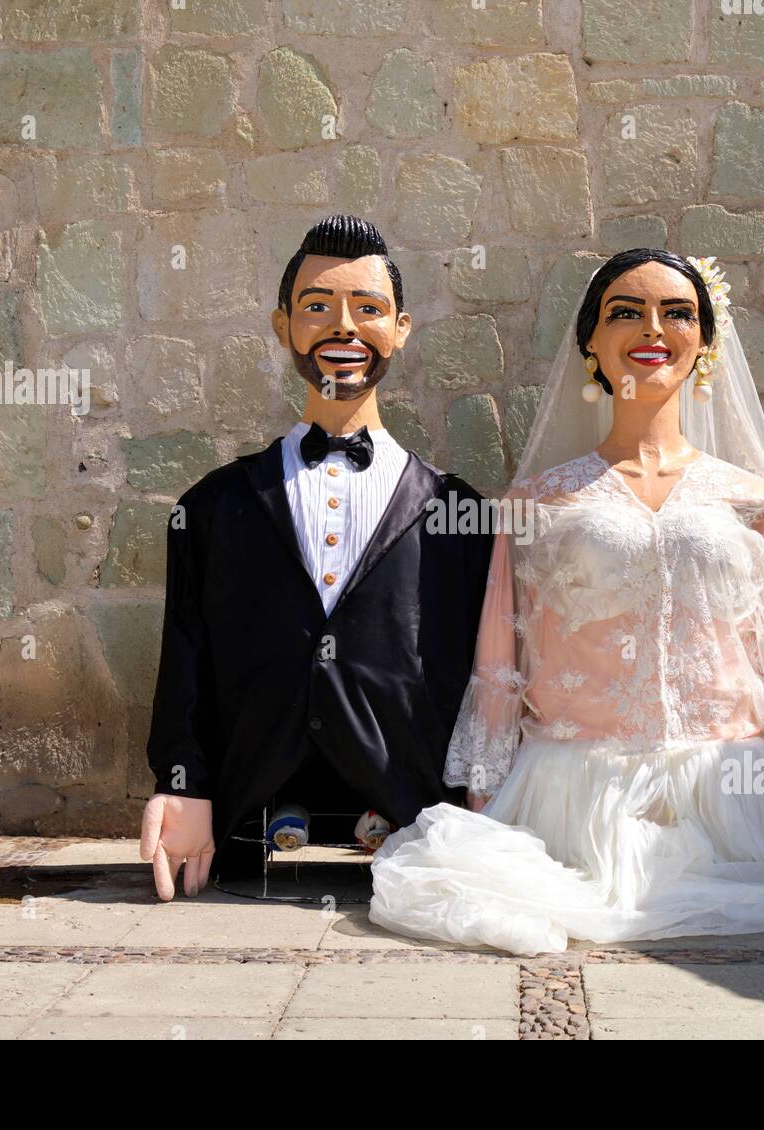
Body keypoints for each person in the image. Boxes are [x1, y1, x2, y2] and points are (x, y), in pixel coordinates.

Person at [368, 248, 764, 955]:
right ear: (591, 340)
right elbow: (503, 658)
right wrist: (485, 796)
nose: (653, 327)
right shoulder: (538, 502)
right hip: (570, 795)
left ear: (704, 342)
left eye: (677, 312)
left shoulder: (760, 504)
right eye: (626, 311)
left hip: (731, 802)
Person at [140, 215, 493, 900]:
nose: (344, 328)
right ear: (283, 329)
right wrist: (182, 784)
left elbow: (487, 676)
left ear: (401, 328)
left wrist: (486, 801)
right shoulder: (212, 505)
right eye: (317, 308)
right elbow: (184, 657)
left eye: (368, 309)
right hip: (247, 818)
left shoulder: (464, 512)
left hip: (420, 819)